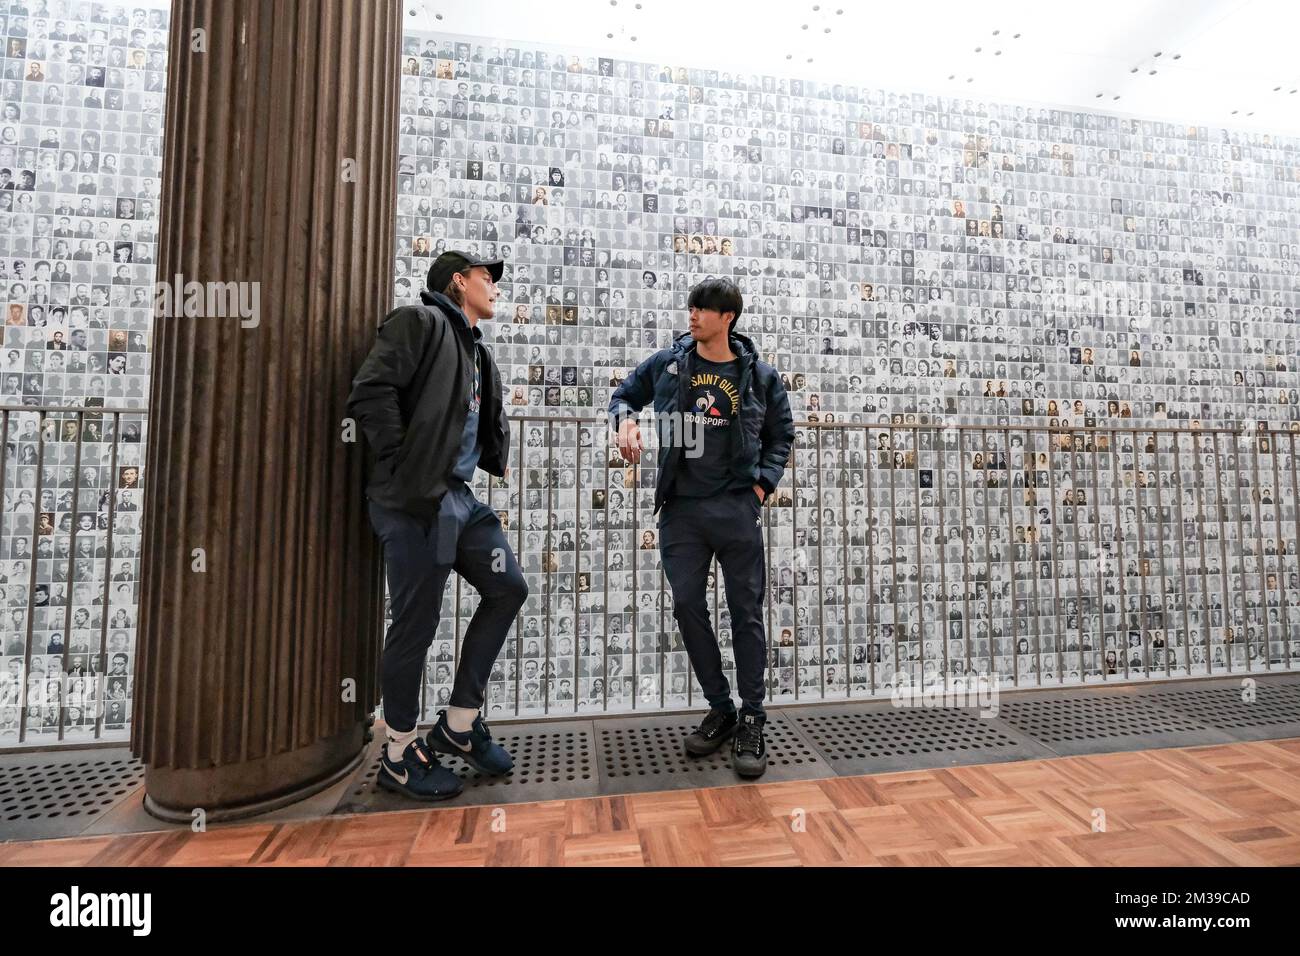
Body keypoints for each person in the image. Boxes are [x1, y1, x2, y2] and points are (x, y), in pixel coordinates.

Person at [347, 250, 527, 801]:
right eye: (485, 277)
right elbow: (371, 392)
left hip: (459, 498)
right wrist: (406, 469)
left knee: (508, 587)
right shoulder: (420, 322)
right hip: (414, 501)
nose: (494, 286)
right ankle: (399, 754)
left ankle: (459, 722)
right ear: (458, 281)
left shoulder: (476, 350)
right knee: (415, 625)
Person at [608, 278, 793, 778]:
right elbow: (624, 396)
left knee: (746, 613)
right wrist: (624, 422)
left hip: (736, 509)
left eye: (703, 309)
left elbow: (782, 435)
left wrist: (760, 488)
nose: (692, 315)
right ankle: (722, 708)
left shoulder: (759, 377)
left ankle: (753, 716)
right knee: (687, 607)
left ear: (727, 317)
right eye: (691, 307)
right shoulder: (670, 364)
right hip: (681, 511)